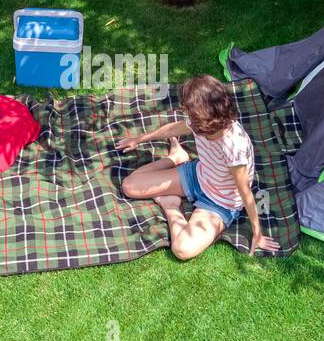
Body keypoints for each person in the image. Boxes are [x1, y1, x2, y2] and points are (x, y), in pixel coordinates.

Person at [117, 75, 279, 260]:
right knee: (129, 186)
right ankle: (175, 157)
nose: (186, 113)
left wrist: (257, 232)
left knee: (182, 249)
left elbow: (245, 193)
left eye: (188, 110)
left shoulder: (234, 147)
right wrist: (139, 139)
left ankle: (170, 206)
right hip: (197, 176)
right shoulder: (201, 122)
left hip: (220, 203)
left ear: (204, 116)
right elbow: (173, 129)